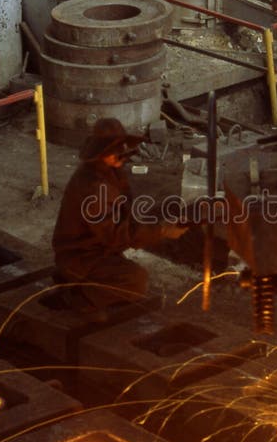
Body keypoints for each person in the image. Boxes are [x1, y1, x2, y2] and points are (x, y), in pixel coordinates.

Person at [52, 117, 185, 313]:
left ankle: (81, 283)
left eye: (119, 150)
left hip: (96, 251)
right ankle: (76, 297)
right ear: (99, 153)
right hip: (79, 256)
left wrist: (159, 221)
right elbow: (115, 234)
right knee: (135, 281)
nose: (119, 156)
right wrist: (161, 230)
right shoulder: (93, 187)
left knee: (130, 277)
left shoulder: (109, 173)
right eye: (111, 152)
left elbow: (125, 214)